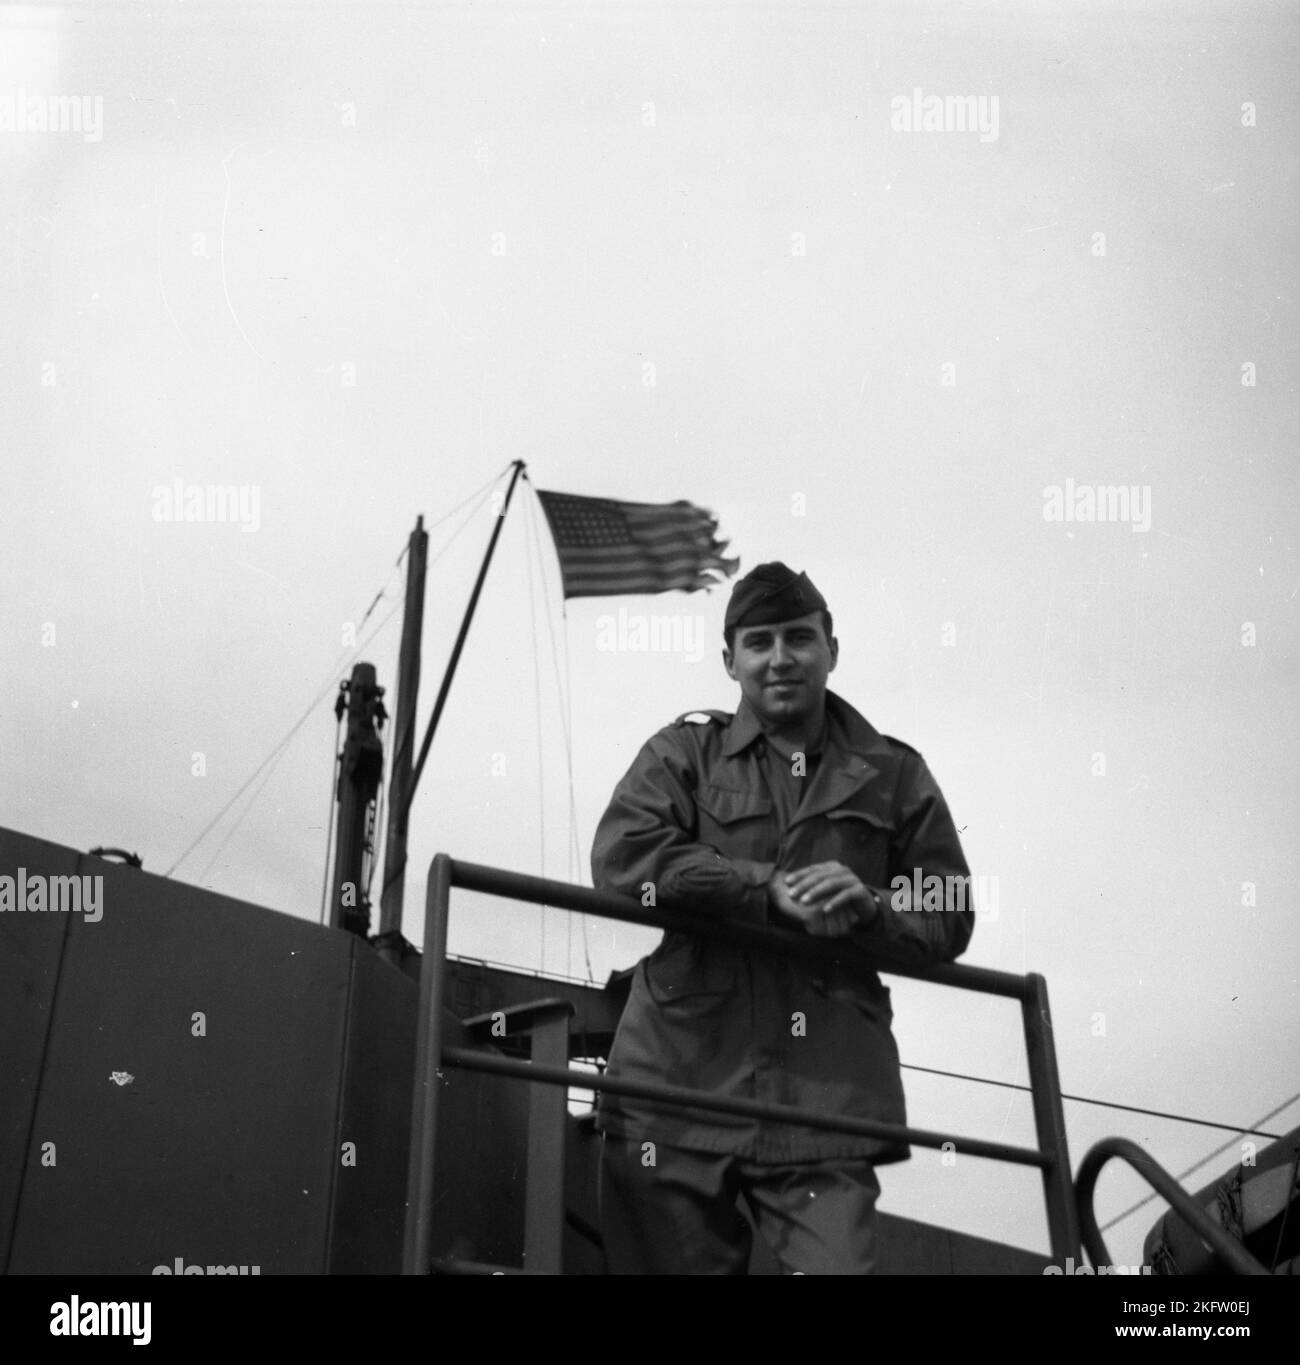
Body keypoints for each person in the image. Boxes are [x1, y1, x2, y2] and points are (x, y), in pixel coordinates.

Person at [591, 561, 975, 1274]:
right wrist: (766, 890)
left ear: (832, 647)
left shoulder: (894, 773)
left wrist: (874, 908)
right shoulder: (683, 754)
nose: (779, 657)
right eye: (759, 641)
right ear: (729, 659)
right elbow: (623, 856)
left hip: (824, 1100)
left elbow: (949, 905)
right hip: (676, 1084)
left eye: (798, 637)